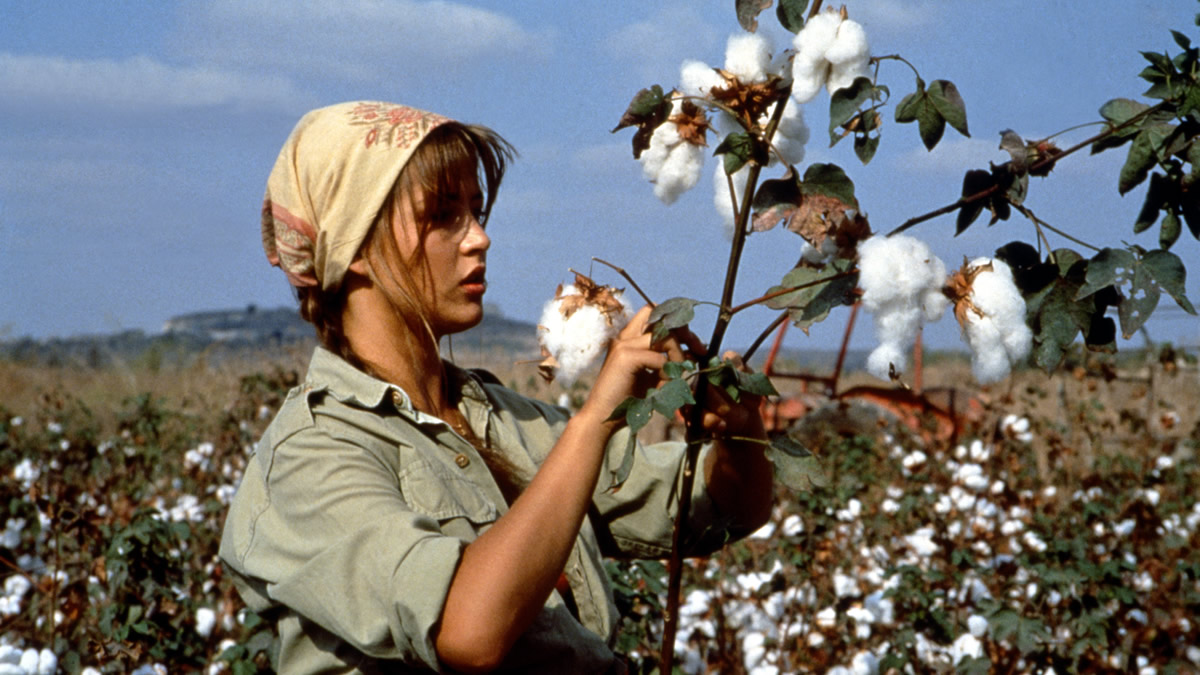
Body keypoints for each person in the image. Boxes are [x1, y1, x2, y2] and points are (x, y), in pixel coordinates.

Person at [219, 100, 774, 673]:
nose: (479, 239)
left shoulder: (504, 419)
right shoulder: (310, 458)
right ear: (353, 245)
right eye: (442, 215)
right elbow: (469, 631)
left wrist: (737, 429)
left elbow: (720, 507)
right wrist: (598, 417)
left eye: (477, 212)